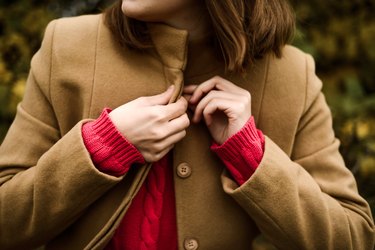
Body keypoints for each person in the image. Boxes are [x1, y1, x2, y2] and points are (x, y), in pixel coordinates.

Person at [0, 0, 374, 249]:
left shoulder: (290, 75)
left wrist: (251, 155)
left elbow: (354, 235)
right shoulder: (66, 46)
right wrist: (103, 146)